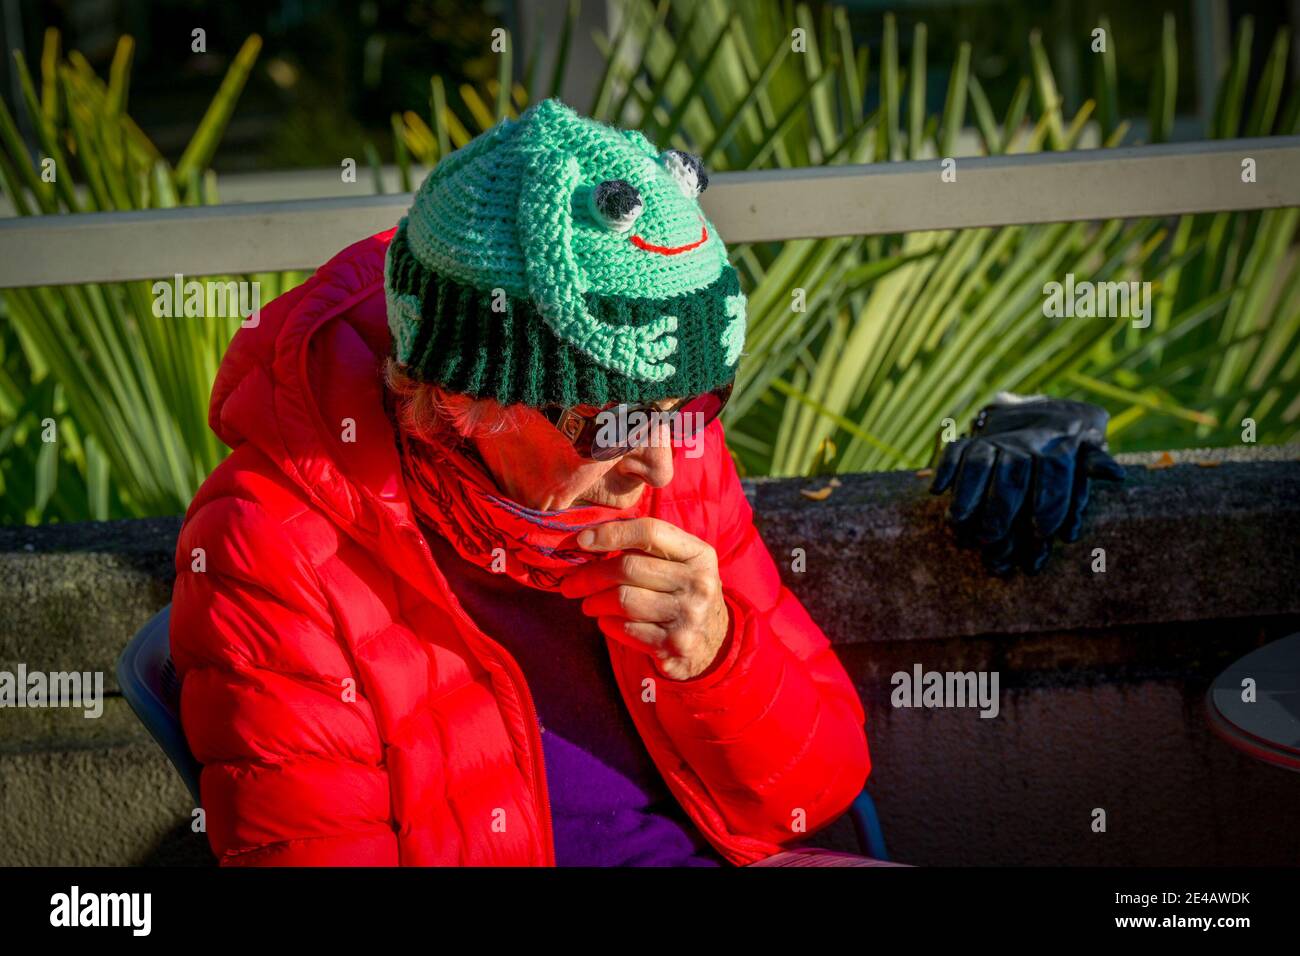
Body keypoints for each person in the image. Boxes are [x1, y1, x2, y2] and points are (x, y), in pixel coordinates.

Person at [168, 98, 1120, 867]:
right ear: (454, 399)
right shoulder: (274, 546)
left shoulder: (667, 454)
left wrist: (719, 659)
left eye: (693, 400)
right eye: (608, 417)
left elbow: (820, 791)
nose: (664, 458)